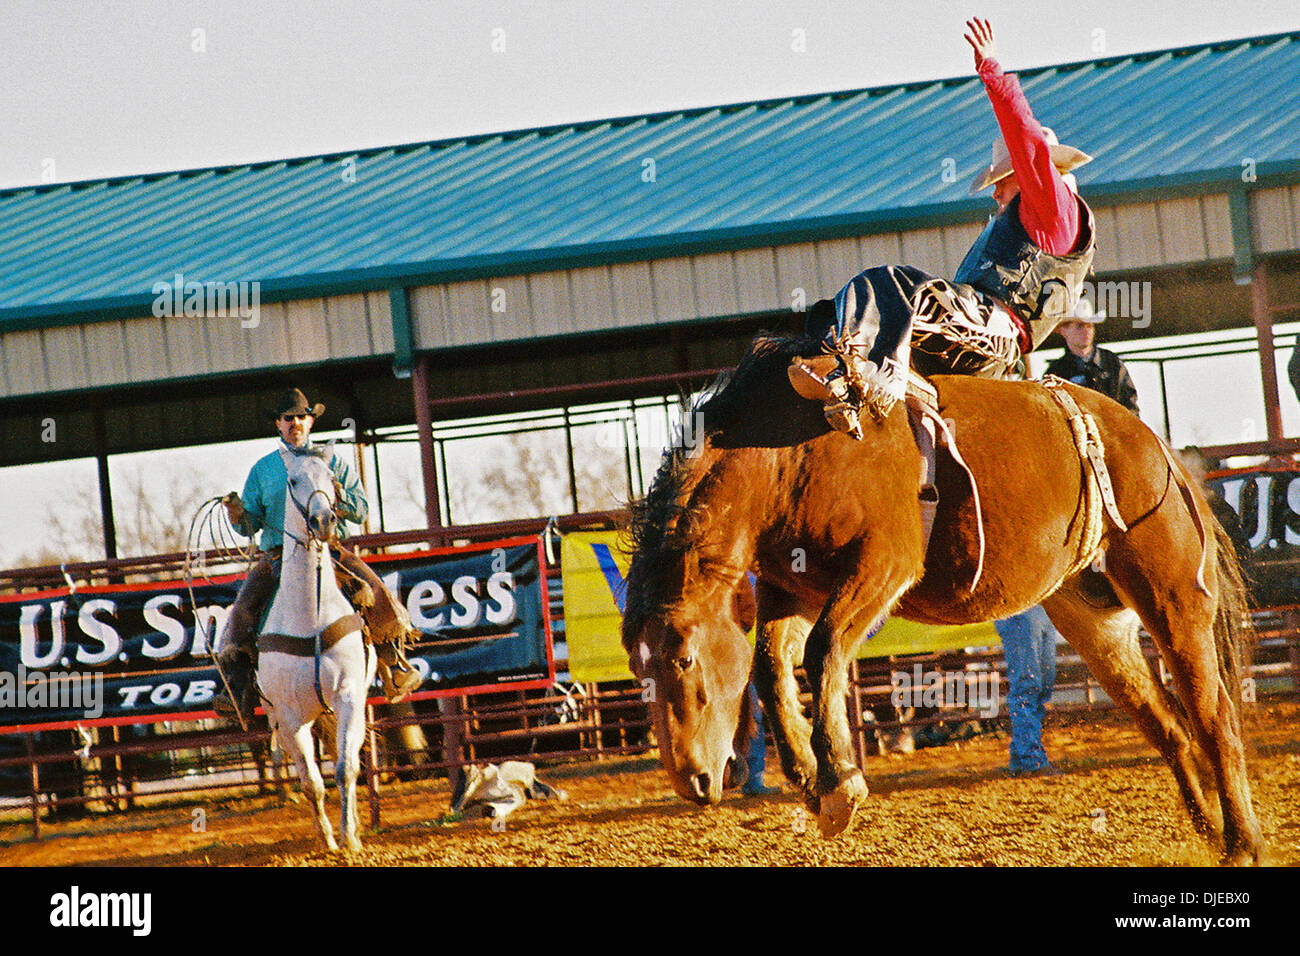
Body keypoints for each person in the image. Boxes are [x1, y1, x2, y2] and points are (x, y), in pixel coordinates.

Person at [792, 18, 1096, 437]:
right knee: (836, 310)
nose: (994, 194)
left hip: (995, 330)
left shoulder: (1052, 209)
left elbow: (1026, 140)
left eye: (1000, 182)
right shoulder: (1038, 222)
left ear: (1027, 176)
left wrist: (991, 68)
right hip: (985, 337)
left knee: (887, 285)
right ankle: (842, 373)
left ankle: (859, 386)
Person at [213, 387, 421, 724]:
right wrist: (238, 513)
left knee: (376, 592)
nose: (295, 423)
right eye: (288, 418)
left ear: (311, 421)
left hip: (330, 548)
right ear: (278, 425)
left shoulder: (334, 462)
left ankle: (393, 662)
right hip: (278, 554)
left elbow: (361, 507)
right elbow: (248, 527)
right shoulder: (263, 470)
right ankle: (237, 686)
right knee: (242, 610)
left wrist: (333, 499)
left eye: (301, 417)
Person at [993, 605, 1060, 776]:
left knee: (1042, 684)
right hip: (1019, 610)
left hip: (1039, 608)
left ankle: (1020, 759)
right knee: (1027, 685)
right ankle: (1032, 760)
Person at [1044, 308, 1140, 413]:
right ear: (1063, 331)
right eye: (1079, 326)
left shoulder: (1112, 362)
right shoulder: (1055, 372)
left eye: (1089, 326)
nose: (1086, 331)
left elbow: (1130, 405)